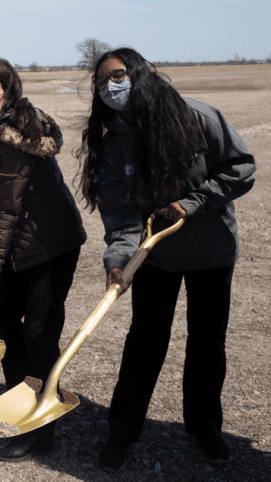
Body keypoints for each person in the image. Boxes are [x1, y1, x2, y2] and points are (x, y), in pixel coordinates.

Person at [78, 47, 256, 472]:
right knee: (144, 344)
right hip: (155, 257)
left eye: (118, 76)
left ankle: (204, 427)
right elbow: (120, 218)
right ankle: (122, 431)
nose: (111, 87)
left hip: (212, 253)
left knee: (207, 344)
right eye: (102, 83)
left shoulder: (197, 118)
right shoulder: (113, 143)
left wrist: (193, 203)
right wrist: (118, 261)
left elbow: (241, 168)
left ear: (140, 75)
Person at [0, 59, 86, 462]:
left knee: (38, 332)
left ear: (8, 94)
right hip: (23, 241)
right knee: (3, 321)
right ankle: (21, 398)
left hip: (50, 246)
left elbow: (8, 211)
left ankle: (40, 426)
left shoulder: (15, 138)